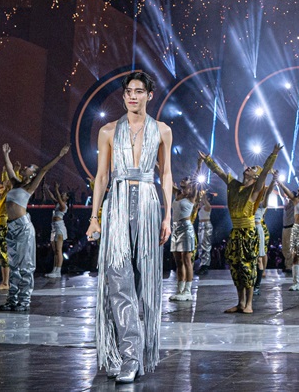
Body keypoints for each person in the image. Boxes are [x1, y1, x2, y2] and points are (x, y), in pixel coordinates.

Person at [86, 70, 174, 384]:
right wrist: (94, 217)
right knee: (117, 278)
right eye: (128, 92)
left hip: (148, 202)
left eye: (138, 91)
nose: (132, 96)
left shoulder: (162, 130)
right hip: (118, 202)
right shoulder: (108, 130)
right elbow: (101, 177)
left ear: (149, 95)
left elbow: (166, 174)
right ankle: (127, 356)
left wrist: (167, 216)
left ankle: (136, 354)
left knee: (145, 282)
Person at [198, 143, 280, 314]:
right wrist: (208, 161)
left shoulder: (255, 189)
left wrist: (273, 154)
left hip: (248, 233)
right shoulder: (234, 185)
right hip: (235, 232)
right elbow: (220, 172)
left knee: (248, 267)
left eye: (252, 168)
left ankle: (249, 303)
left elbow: (265, 172)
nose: (248, 168)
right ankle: (240, 303)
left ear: (256, 177)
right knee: (236, 268)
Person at [0, 142, 71, 312]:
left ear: (32, 175)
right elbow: (9, 168)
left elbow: (44, 169)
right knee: (13, 265)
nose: (25, 167)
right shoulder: (16, 183)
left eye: (29, 167)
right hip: (11, 227)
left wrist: (59, 155)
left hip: (23, 227)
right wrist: (6, 154)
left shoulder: (30, 187)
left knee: (25, 265)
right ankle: (12, 300)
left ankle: (24, 301)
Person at [168, 177, 198, 302]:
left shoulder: (191, 196)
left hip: (186, 228)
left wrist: (199, 167)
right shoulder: (177, 193)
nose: (183, 180)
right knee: (178, 261)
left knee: (187, 260)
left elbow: (196, 180)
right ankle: (180, 289)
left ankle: (187, 291)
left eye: (186, 179)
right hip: (176, 228)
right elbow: (168, 180)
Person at [46, 184, 71, 278]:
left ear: (67, 198)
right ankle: (54, 270)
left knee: (58, 250)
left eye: (64, 194)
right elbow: (53, 197)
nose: (62, 194)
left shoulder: (64, 206)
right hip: (54, 228)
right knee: (55, 251)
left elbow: (57, 198)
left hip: (59, 228)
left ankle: (58, 271)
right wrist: (47, 189)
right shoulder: (58, 203)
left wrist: (56, 189)